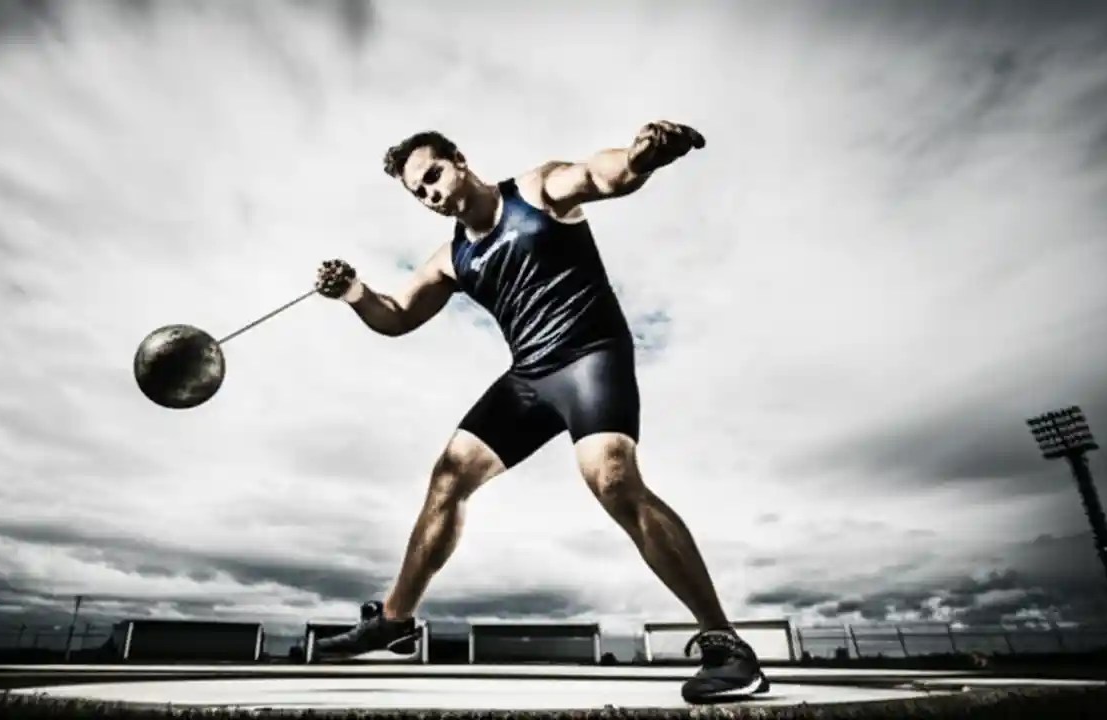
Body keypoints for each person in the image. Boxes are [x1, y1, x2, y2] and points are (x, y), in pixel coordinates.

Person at [311, 121, 768, 701]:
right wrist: (354, 292)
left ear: (459, 159)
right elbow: (398, 315)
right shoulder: (452, 258)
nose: (429, 192)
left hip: (590, 357)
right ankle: (395, 622)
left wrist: (640, 156)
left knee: (613, 479)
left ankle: (728, 647)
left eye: (433, 175)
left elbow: (601, 175)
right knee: (448, 478)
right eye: (417, 191)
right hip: (530, 375)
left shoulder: (537, 190)